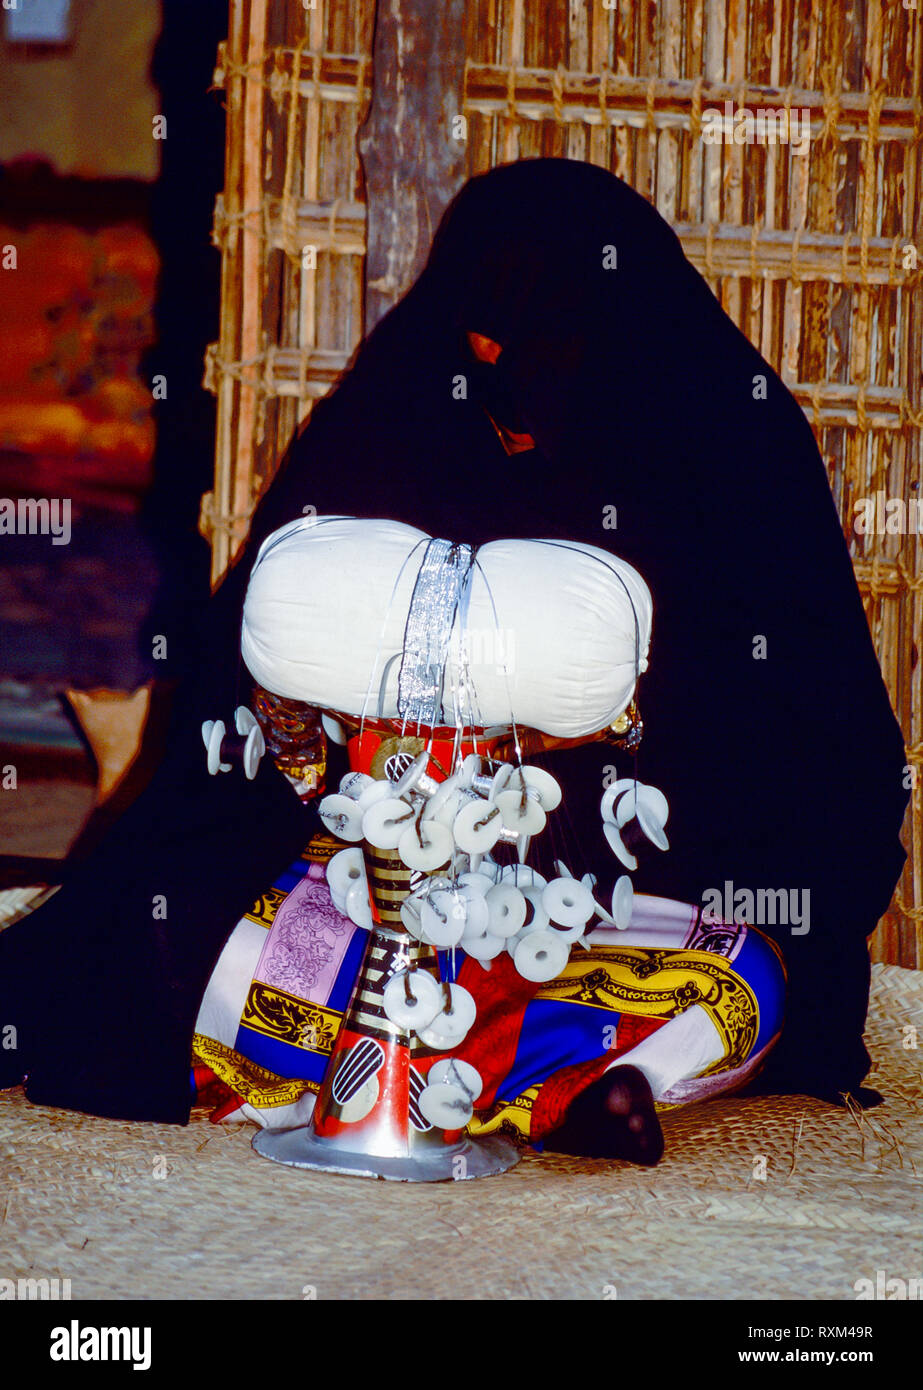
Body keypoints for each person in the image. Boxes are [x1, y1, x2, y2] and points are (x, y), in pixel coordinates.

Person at [0, 158, 907, 1150]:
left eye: (534, 342)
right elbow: (249, 698)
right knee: (182, 940)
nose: (491, 363)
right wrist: (363, 781)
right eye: (476, 334)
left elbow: (822, 758)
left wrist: (588, 776)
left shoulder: (725, 445)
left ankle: (594, 1085)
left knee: (747, 982)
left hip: (624, 907)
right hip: (366, 879)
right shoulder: (400, 415)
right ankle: (488, 1072)